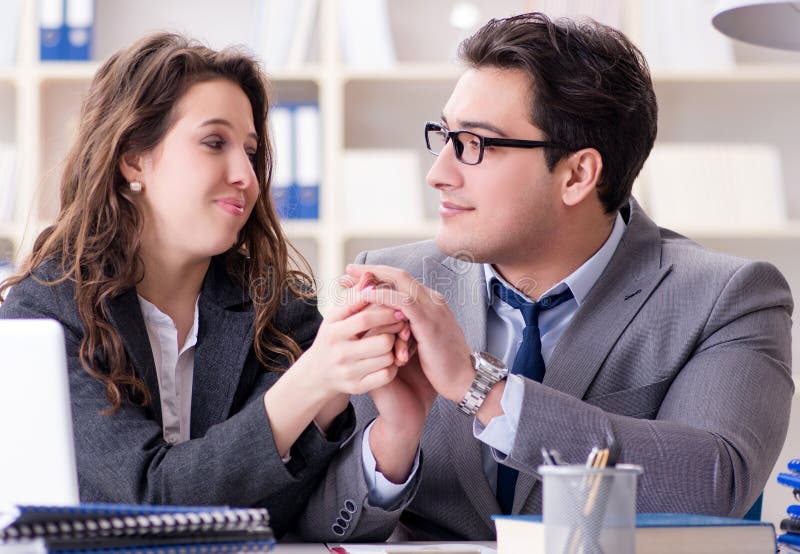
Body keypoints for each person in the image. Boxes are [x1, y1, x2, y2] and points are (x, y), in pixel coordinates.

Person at [297, 12, 794, 541]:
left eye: (475, 144)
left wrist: (480, 388)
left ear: (578, 174)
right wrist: (392, 440)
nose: (438, 172)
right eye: (444, 136)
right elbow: (311, 524)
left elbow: (715, 485)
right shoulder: (400, 285)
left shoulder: (728, 296)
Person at [0, 33, 409, 538]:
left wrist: (343, 392)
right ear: (134, 160)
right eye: (215, 142)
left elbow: (290, 516)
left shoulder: (279, 311)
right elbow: (148, 503)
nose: (246, 175)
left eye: (252, 151)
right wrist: (313, 381)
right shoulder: (47, 310)